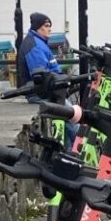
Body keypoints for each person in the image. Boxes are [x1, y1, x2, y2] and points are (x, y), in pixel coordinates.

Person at [18, 12, 79, 146]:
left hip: (49, 90)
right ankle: (81, 148)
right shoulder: (34, 46)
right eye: (46, 25)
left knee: (68, 126)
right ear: (38, 27)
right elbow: (42, 77)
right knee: (72, 119)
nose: (50, 29)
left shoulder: (40, 43)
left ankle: (69, 154)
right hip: (41, 93)